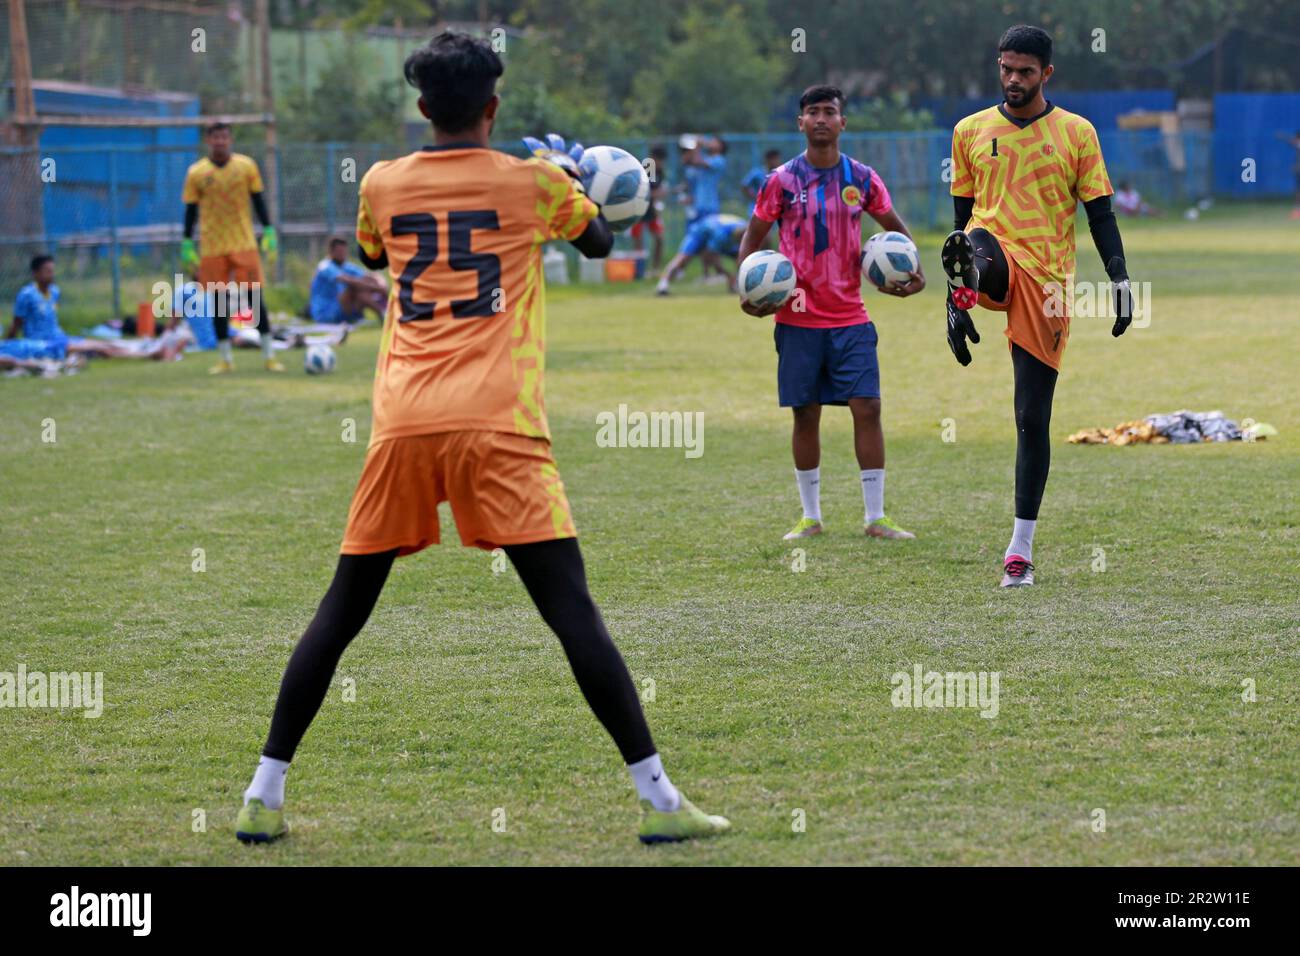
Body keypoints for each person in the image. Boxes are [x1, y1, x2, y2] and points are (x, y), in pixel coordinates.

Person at [233, 31, 729, 847]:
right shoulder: (531, 181)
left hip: (402, 421)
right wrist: (573, 180)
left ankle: (263, 793)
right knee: (572, 612)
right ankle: (662, 803)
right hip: (497, 421)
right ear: (493, 107)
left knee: (341, 609)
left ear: (421, 107)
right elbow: (602, 240)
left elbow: (372, 250)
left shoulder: (385, 183)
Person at [942, 25, 1133, 587]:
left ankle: (1019, 549)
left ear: (1046, 73)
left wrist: (1119, 279)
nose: (1013, 80)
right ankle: (968, 287)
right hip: (992, 250)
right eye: (1006, 69)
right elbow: (960, 222)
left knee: (1031, 418)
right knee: (971, 246)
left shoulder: (1076, 132)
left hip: (1050, 283)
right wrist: (955, 297)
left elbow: (1100, 213)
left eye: (1025, 71)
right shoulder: (969, 130)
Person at [737, 85, 924, 543]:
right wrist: (748, 291)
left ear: (843, 122)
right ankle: (810, 516)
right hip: (797, 319)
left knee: (869, 407)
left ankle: (876, 517)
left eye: (830, 112)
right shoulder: (779, 181)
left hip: (851, 317)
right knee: (805, 414)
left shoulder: (861, 178)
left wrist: (912, 274)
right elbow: (753, 238)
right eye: (813, 112)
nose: (821, 119)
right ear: (801, 123)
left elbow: (898, 234)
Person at [181, 122, 283, 374]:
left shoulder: (246, 166)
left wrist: (268, 229)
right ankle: (225, 359)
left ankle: (269, 356)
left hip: (243, 243)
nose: (220, 141)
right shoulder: (196, 173)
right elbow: (191, 210)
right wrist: (186, 241)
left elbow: (258, 200)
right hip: (212, 246)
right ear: (208, 140)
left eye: (224, 137)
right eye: (215, 137)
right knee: (218, 304)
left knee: (254, 300)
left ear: (230, 139)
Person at [654, 212, 746, 295]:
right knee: (683, 258)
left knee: (741, 257)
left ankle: (739, 285)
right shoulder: (721, 235)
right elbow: (710, 256)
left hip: (716, 232)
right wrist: (727, 274)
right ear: (738, 236)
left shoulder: (745, 228)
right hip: (698, 234)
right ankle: (663, 285)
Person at [309, 237, 387, 324]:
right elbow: (348, 281)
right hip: (325, 313)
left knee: (364, 283)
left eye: (344, 252)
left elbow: (369, 276)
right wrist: (377, 289)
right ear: (331, 252)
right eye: (339, 252)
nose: (343, 254)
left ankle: (384, 312)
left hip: (342, 309)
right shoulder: (325, 266)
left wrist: (381, 282)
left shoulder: (346, 265)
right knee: (354, 286)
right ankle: (382, 312)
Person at [629, 145, 667, 271]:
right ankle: (639, 270)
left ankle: (655, 268)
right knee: (638, 240)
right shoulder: (648, 165)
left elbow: (657, 191)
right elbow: (645, 190)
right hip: (639, 208)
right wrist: (656, 193)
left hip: (651, 210)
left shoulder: (660, 171)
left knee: (660, 238)